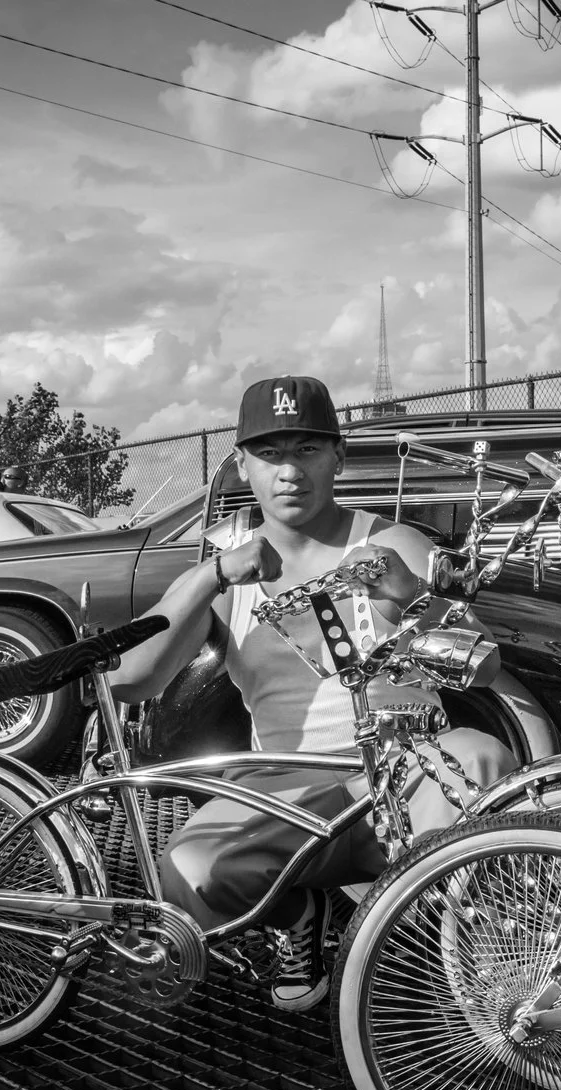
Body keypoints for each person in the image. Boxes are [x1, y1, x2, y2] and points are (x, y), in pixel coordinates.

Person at [104, 375, 513, 1011]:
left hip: (407, 775)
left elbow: (483, 666)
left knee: (481, 758)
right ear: (241, 465)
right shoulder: (220, 558)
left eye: (307, 450)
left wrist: (413, 597)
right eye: (269, 453)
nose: (289, 471)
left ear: (338, 457)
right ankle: (300, 916)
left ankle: (480, 962)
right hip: (291, 792)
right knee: (191, 871)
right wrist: (213, 575)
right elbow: (132, 680)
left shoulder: (392, 543)